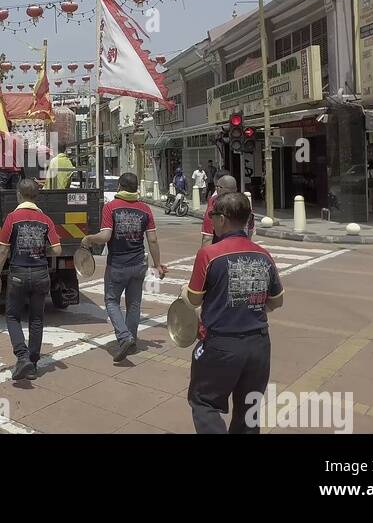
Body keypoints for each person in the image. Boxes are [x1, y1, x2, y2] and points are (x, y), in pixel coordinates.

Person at [183, 192, 283, 434]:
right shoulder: (263, 254)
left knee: (203, 401)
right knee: (248, 412)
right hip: (259, 345)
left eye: (214, 216)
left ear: (224, 219)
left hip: (221, 344)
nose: (212, 221)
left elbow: (194, 298)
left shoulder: (209, 254)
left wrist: (183, 292)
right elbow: (277, 301)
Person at [81, 172, 167, 362]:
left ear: (119, 186)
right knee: (134, 304)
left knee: (111, 301)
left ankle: (124, 336)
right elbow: (152, 239)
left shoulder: (111, 207)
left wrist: (88, 239)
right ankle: (132, 341)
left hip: (117, 265)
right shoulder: (145, 209)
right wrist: (158, 264)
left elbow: (105, 237)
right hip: (138, 264)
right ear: (136, 188)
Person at [0, 179, 62, 380]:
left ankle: (22, 357)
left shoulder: (12, 218)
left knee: (12, 316)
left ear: (19, 195)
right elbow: (57, 249)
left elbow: (4, 249)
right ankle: (33, 363)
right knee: (36, 318)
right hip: (41, 273)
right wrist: (39, 249)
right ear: (36, 196)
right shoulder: (46, 220)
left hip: (18, 273)